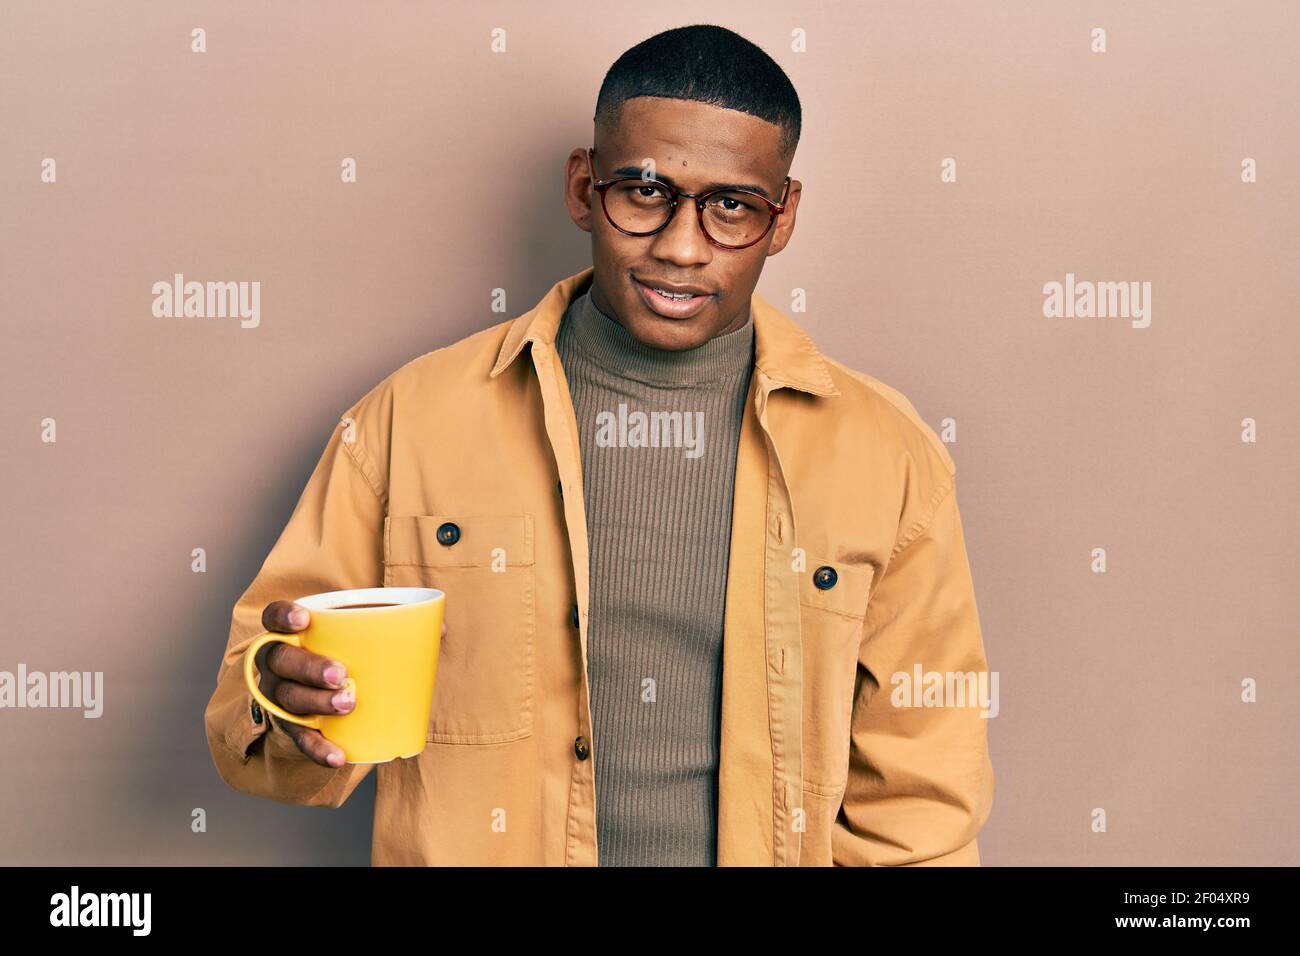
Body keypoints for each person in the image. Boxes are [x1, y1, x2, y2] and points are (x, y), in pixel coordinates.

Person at [204, 23, 995, 866]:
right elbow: (251, 715)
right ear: (585, 187)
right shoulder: (410, 421)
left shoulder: (889, 456)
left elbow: (920, 800)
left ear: (784, 216)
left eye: (732, 206)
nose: (681, 247)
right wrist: (287, 707)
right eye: (644, 192)